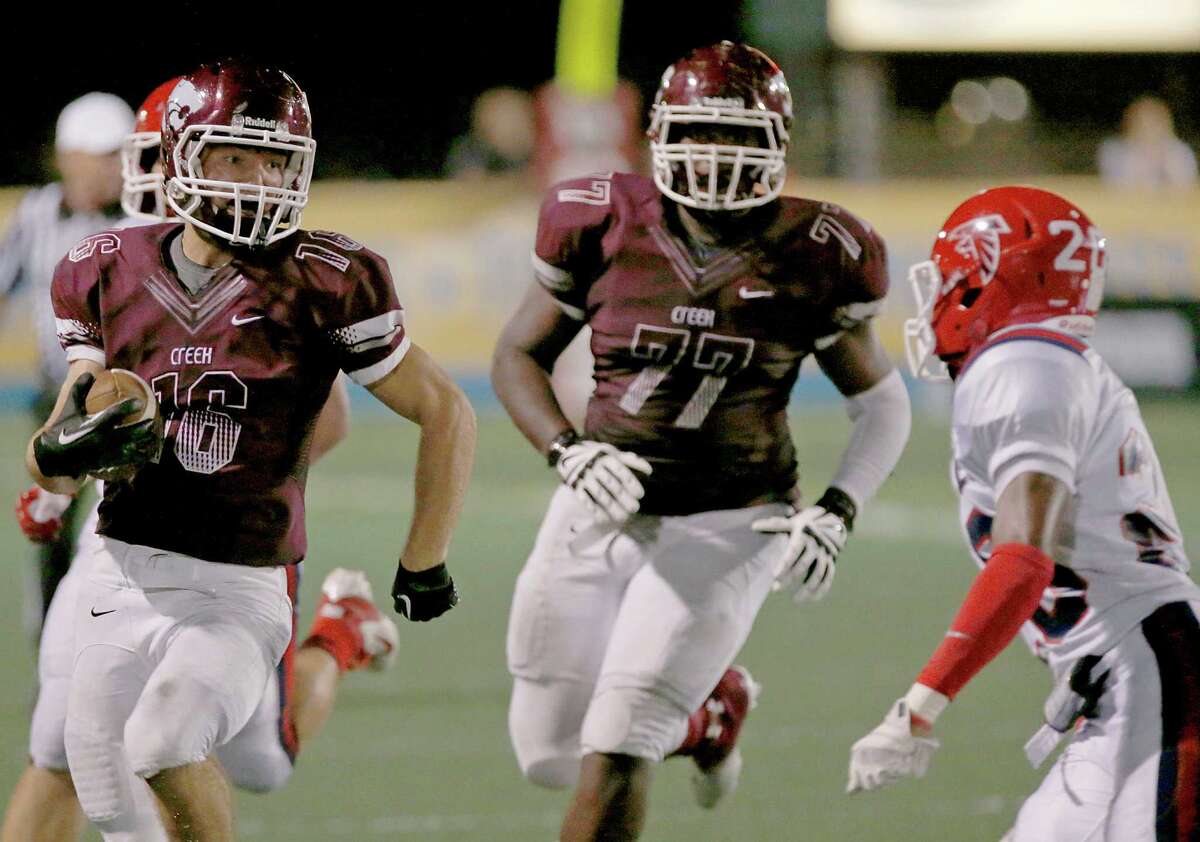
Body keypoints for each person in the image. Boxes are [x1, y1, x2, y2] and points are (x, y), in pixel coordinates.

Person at [27, 62, 475, 841]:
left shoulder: (327, 279)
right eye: (236, 157)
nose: (260, 179)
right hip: (119, 570)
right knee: (101, 788)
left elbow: (443, 408)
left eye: (275, 160)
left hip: (237, 580)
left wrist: (425, 559)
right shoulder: (105, 267)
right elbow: (51, 458)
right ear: (182, 159)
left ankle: (338, 633)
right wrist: (69, 451)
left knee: (168, 743)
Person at [491, 42, 911, 841]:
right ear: (659, 135)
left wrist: (838, 508)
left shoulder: (819, 249)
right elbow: (518, 354)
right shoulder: (599, 220)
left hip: (733, 518)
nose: (719, 155)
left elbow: (883, 405)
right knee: (546, 753)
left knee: (621, 735)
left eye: (740, 136)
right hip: (601, 503)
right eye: (700, 132)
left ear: (778, 144)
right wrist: (567, 450)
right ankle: (713, 717)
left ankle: (673, 716)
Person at [848, 186, 1200, 840]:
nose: (939, 296)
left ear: (987, 278)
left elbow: (1022, 562)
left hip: (1157, 691)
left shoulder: (1022, 364)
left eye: (951, 278)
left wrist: (918, 705)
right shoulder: (1046, 362)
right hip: (1131, 686)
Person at [0, 92, 135, 638]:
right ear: (66, 158)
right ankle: (53, 640)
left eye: (114, 156)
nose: (107, 169)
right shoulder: (36, 214)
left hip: (127, 398)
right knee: (50, 524)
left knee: (126, 525)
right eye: (96, 156)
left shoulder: (142, 218)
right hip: (57, 396)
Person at [1097, 96, 1198, 189]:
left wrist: (1164, 158)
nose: (1148, 127)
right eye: (1141, 121)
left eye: (1155, 121)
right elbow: (1116, 184)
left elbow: (1186, 184)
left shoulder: (1180, 151)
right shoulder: (1112, 150)